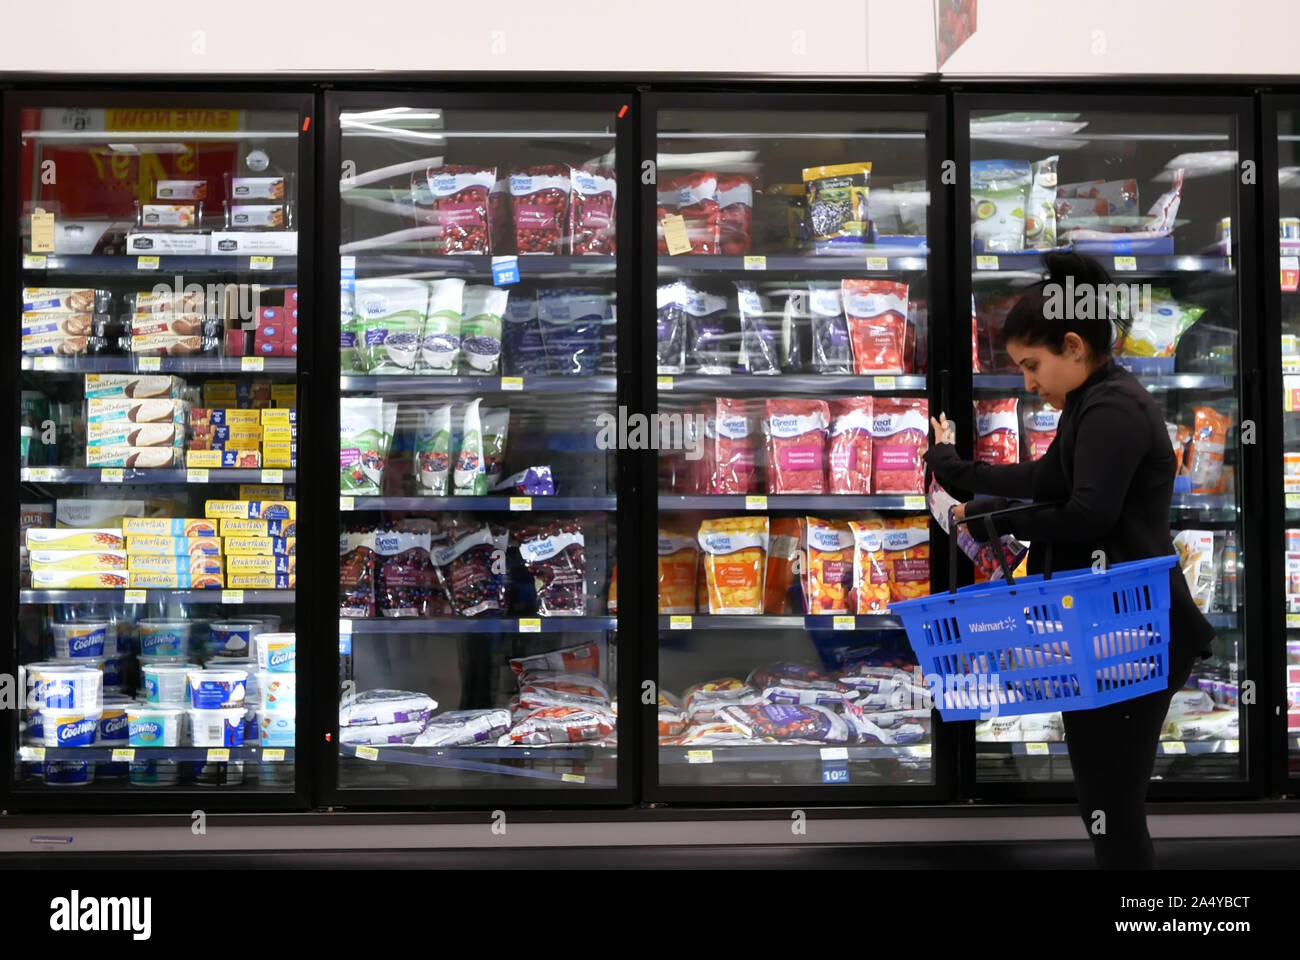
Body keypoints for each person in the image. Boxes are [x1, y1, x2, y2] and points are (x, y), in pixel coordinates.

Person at [926, 252, 1216, 870]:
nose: (1029, 383)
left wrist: (991, 519)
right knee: (1101, 802)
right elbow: (1045, 478)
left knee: (1112, 800)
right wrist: (958, 474)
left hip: (1145, 633)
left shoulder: (1113, 409)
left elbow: (1088, 512)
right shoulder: (1090, 404)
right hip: (1109, 629)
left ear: (1075, 346)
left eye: (1033, 366)